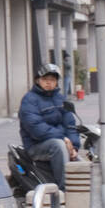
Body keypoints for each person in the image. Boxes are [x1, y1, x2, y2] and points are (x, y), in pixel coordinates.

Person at [18, 61, 80, 189]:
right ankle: (64, 189)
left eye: (52, 79)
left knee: (81, 165)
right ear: (37, 80)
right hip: (36, 145)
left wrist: (74, 146)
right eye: (45, 79)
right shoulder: (29, 99)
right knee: (58, 146)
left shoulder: (60, 98)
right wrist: (63, 138)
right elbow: (36, 128)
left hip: (62, 142)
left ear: (57, 82)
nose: (48, 82)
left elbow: (70, 124)